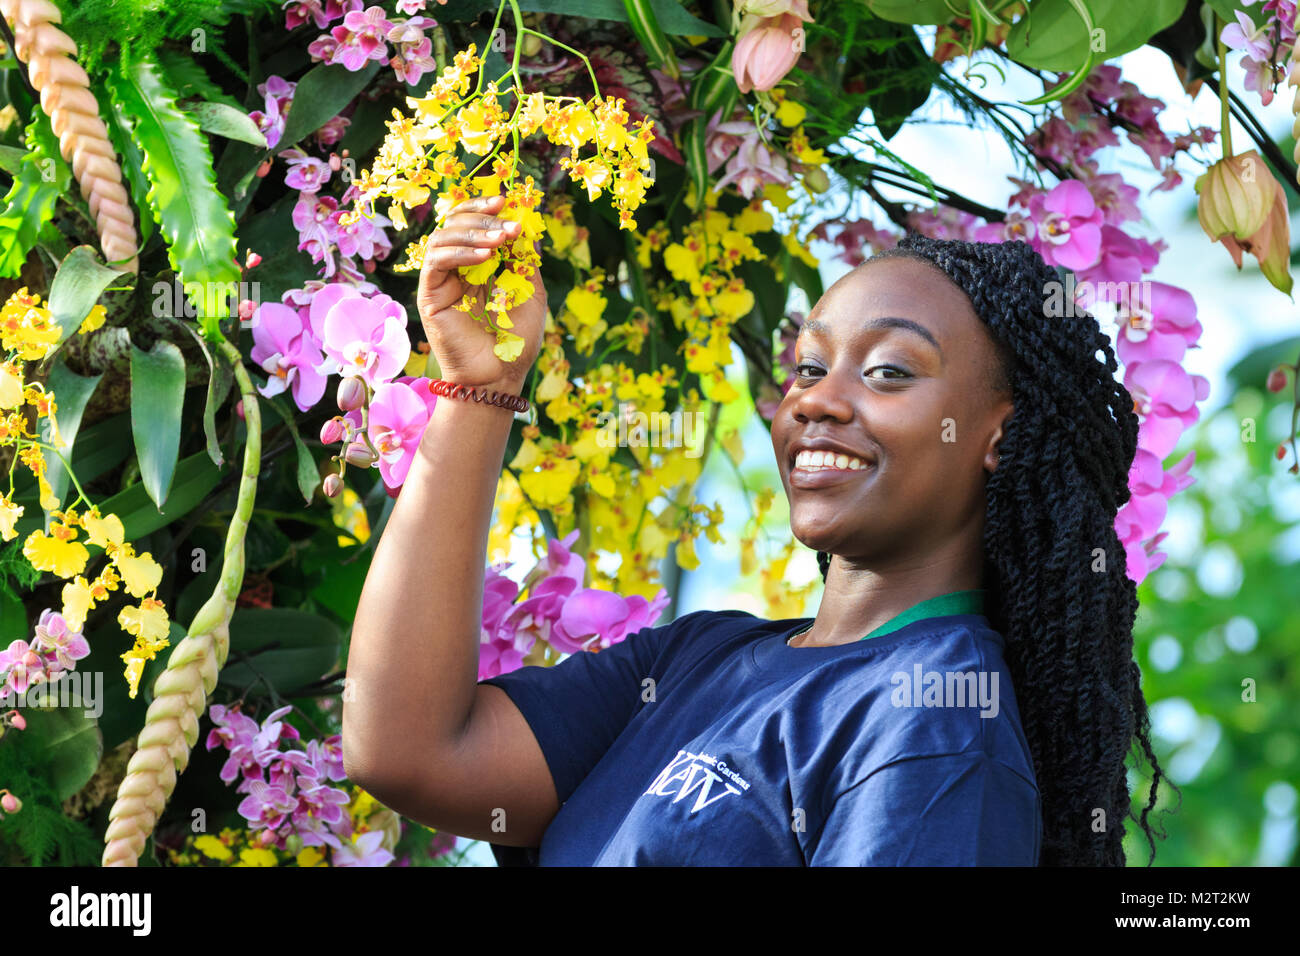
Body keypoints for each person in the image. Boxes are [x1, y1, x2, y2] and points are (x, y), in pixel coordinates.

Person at [342, 192, 1174, 866]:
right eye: (809, 367)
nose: (814, 400)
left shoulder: (936, 720)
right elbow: (412, 750)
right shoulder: (700, 659)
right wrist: (482, 388)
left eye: (888, 371)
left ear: (1000, 433)